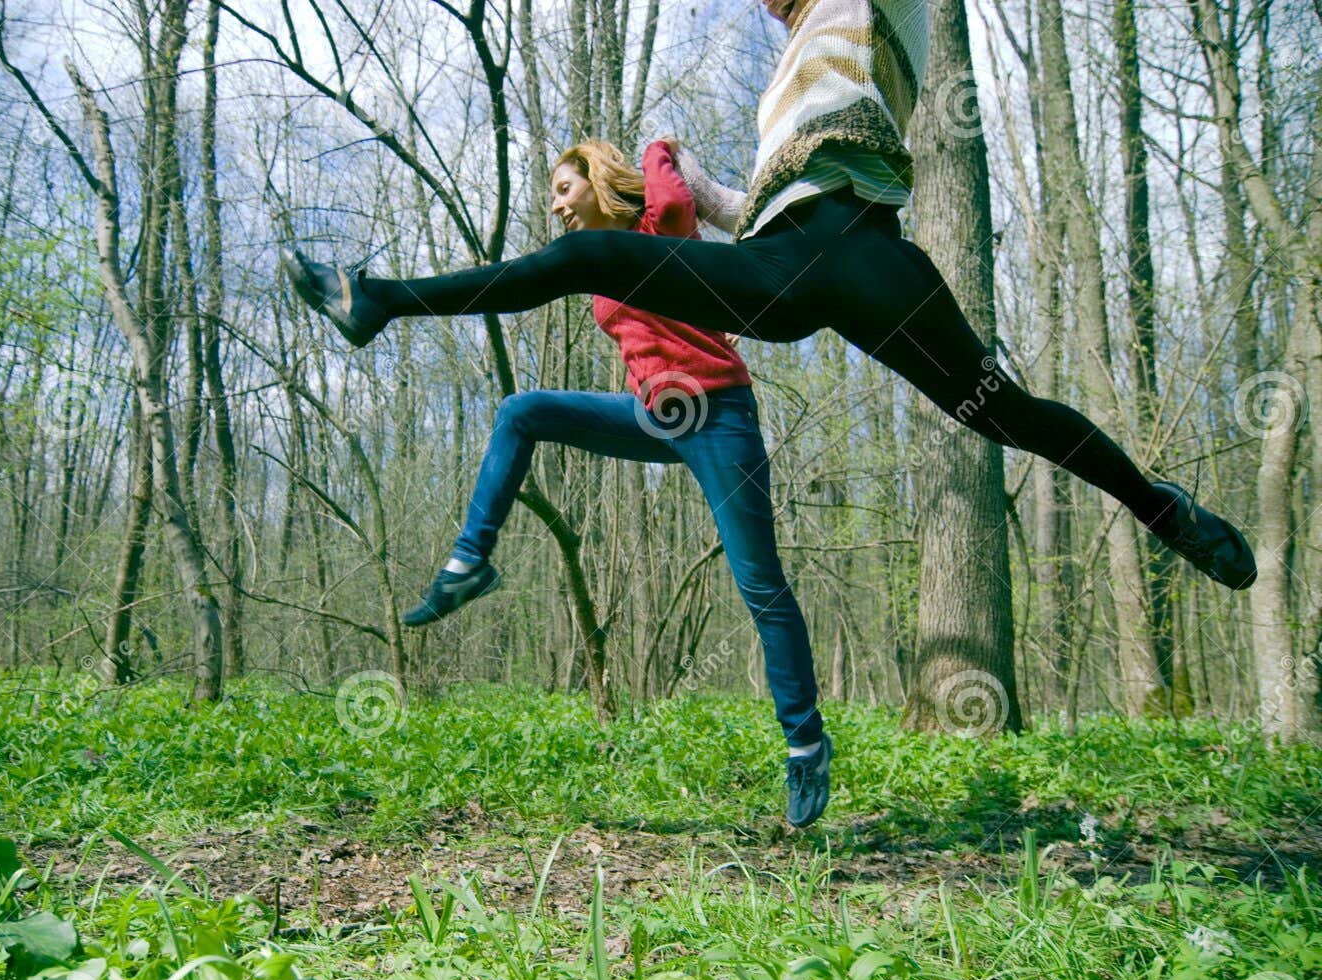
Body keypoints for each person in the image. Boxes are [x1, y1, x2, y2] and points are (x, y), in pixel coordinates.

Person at [279, 0, 1256, 596]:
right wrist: (703, 192)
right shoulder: (782, 77)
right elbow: (765, 209)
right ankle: (380, 301)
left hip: (875, 264)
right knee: (587, 257)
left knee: (997, 413)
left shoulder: (877, 12)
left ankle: (1161, 510)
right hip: (783, 271)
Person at [392, 137, 832, 827]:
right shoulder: (595, 268)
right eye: (553, 197)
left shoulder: (662, 231)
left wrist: (659, 147)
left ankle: (806, 743)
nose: (557, 206)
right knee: (521, 411)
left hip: (717, 415)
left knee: (760, 583)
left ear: (598, 180)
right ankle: (468, 561)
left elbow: (677, 197)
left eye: (565, 189)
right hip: (654, 416)